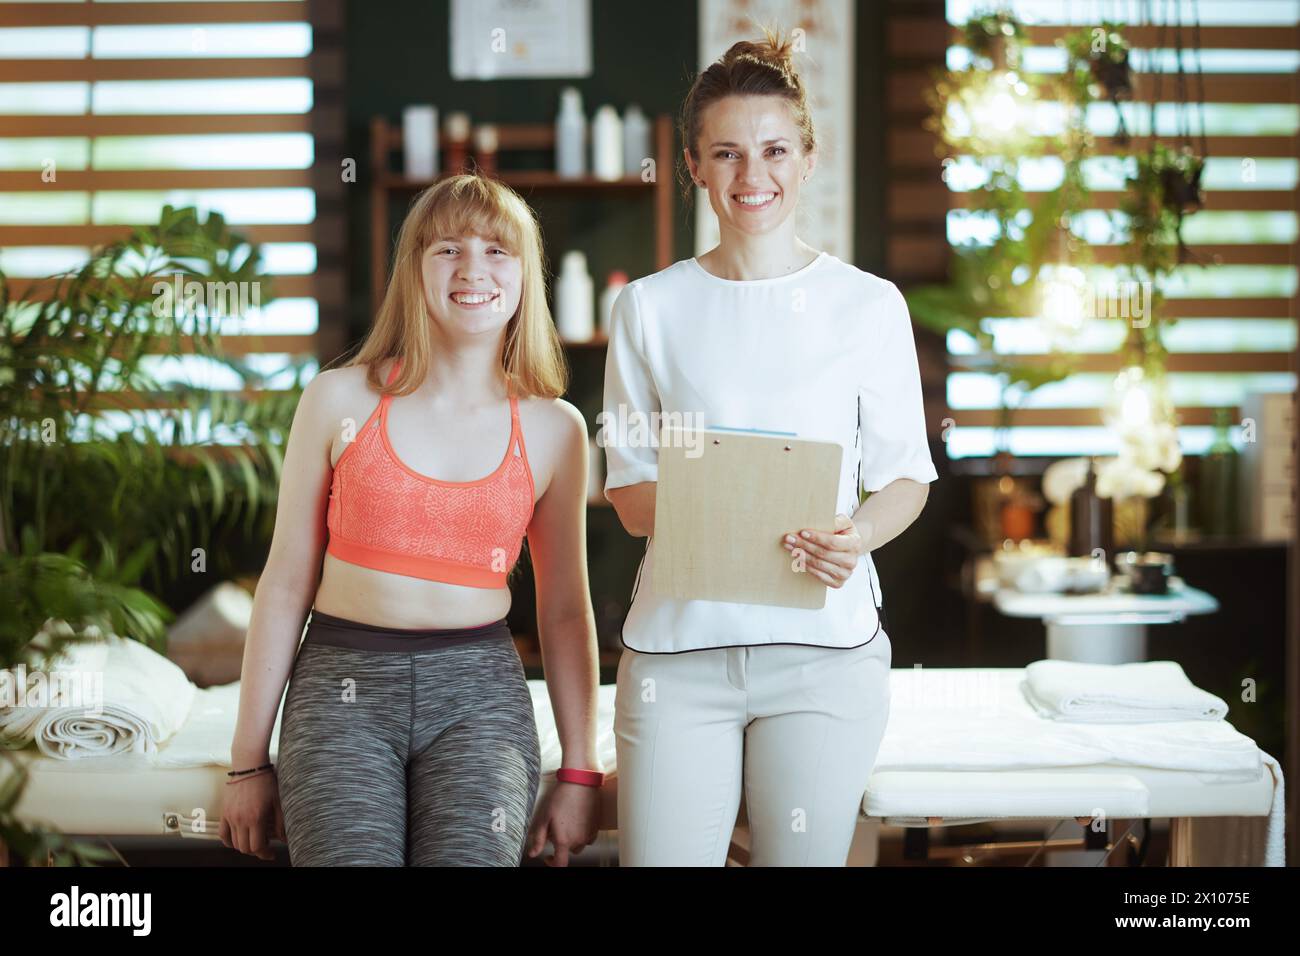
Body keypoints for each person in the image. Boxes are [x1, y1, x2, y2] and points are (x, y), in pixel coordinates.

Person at [602, 29, 937, 866]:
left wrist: (854, 536)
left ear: (809, 159)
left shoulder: (869, 305)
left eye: (775, 150)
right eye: (727, 153)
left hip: (825, 656)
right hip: (677, 658)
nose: (753, 176)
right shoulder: (649, 308)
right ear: (694, 167)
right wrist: (721, 490)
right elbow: (632, 498)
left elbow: (905, 476)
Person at [221, 174, 604, 866]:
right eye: (446, 249)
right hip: (342, 691)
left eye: (497, 251)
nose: (473, 270)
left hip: (480, 698)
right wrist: (248, 762)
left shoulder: (556, 431)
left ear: (526, 275)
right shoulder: (338, 398)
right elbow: (283, 586)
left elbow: (567, 614)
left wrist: (581, 772)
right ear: (414, 270)